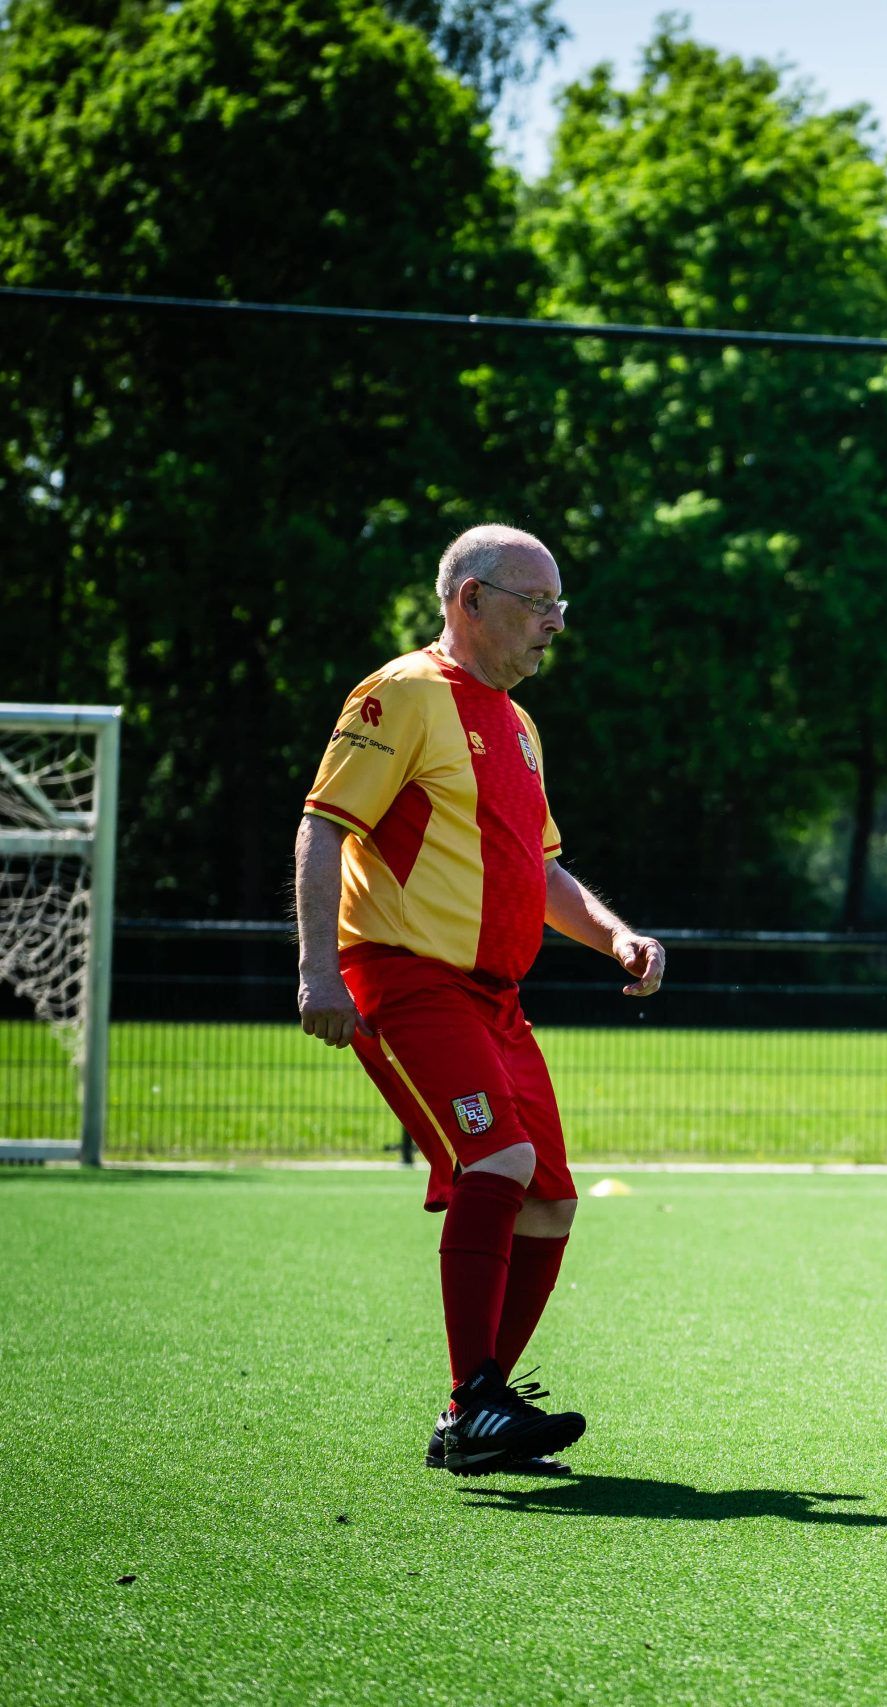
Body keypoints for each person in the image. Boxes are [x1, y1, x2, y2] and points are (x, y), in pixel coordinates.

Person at [294, 524, 665, 1478]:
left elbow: (538, 872)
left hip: (495, 1000)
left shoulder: (517, 724)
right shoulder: (401, 694)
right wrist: (318, 971)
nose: (554, 624)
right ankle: (474, 1404)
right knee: (497, 1157)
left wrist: (616, 934)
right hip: (406, 976)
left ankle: (482, 1397)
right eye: (538, 604)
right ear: (469, 600)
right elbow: (323, 830)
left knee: (549, 1201)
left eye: (558, 606)